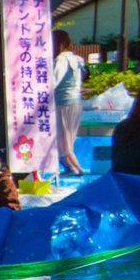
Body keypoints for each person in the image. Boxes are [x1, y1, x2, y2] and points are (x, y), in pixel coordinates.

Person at [51, 28, 87, 176]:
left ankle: (75, 168)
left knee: (62, 140)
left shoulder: (61, 60)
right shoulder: (75, 59)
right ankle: (73, 168)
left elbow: (54, 80)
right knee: (66, 140)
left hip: (64, 104)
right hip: (74, 103)